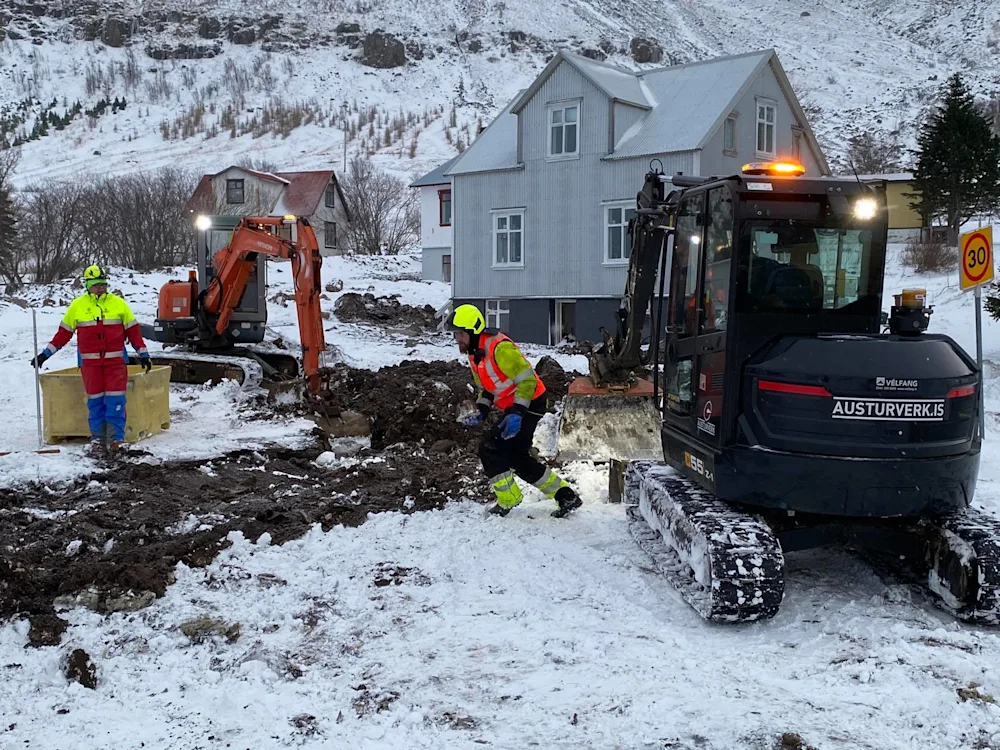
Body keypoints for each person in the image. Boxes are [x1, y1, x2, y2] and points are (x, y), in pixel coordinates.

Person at [449, 303, 582, 518]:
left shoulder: (500, 348)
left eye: (459, 334)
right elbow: (487, 390)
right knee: (518, 458)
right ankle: (566, 496)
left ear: (472, 332)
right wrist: (481, 410)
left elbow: (528, 381)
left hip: (531, 402)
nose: (457, 339)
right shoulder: (475, 356)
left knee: (490, 448)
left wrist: (517, 413)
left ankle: (509, 498)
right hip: (515, 407)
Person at [30, 265, 152, 455]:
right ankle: (98, 440)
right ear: (88, 286)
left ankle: (116, 440)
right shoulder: (77, 306)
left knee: (116, 401)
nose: (101, 288)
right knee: (95, 402)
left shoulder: (119, 304)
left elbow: (133, 332)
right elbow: (63, 334)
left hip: (115, 364)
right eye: (96, 285)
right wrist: (45, 354)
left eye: (103, 284)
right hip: (90, 365)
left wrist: (143, 353)